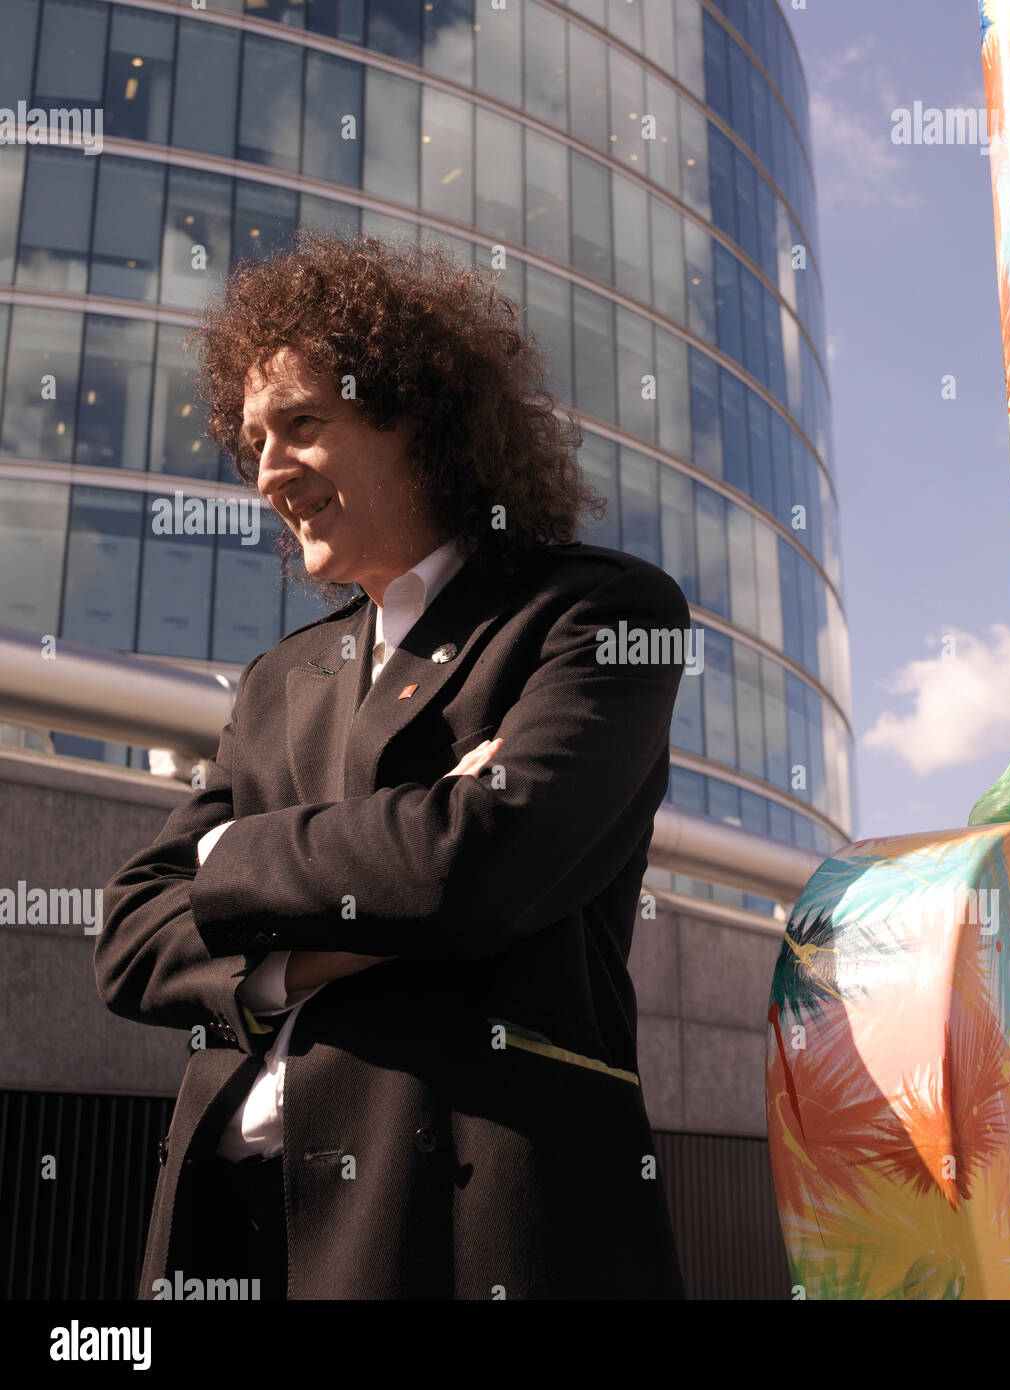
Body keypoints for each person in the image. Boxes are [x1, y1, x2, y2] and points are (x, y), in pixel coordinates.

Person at [95, 231, 691, 1300]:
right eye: (253, 440)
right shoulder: (277, 679)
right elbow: (133, 935)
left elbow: (472, 868)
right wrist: (306, 958)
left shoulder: (598, 614)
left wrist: (226, 860)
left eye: (301, 424)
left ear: (417, 415)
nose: (268, 470)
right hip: (225, 1237)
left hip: (456, 1232)